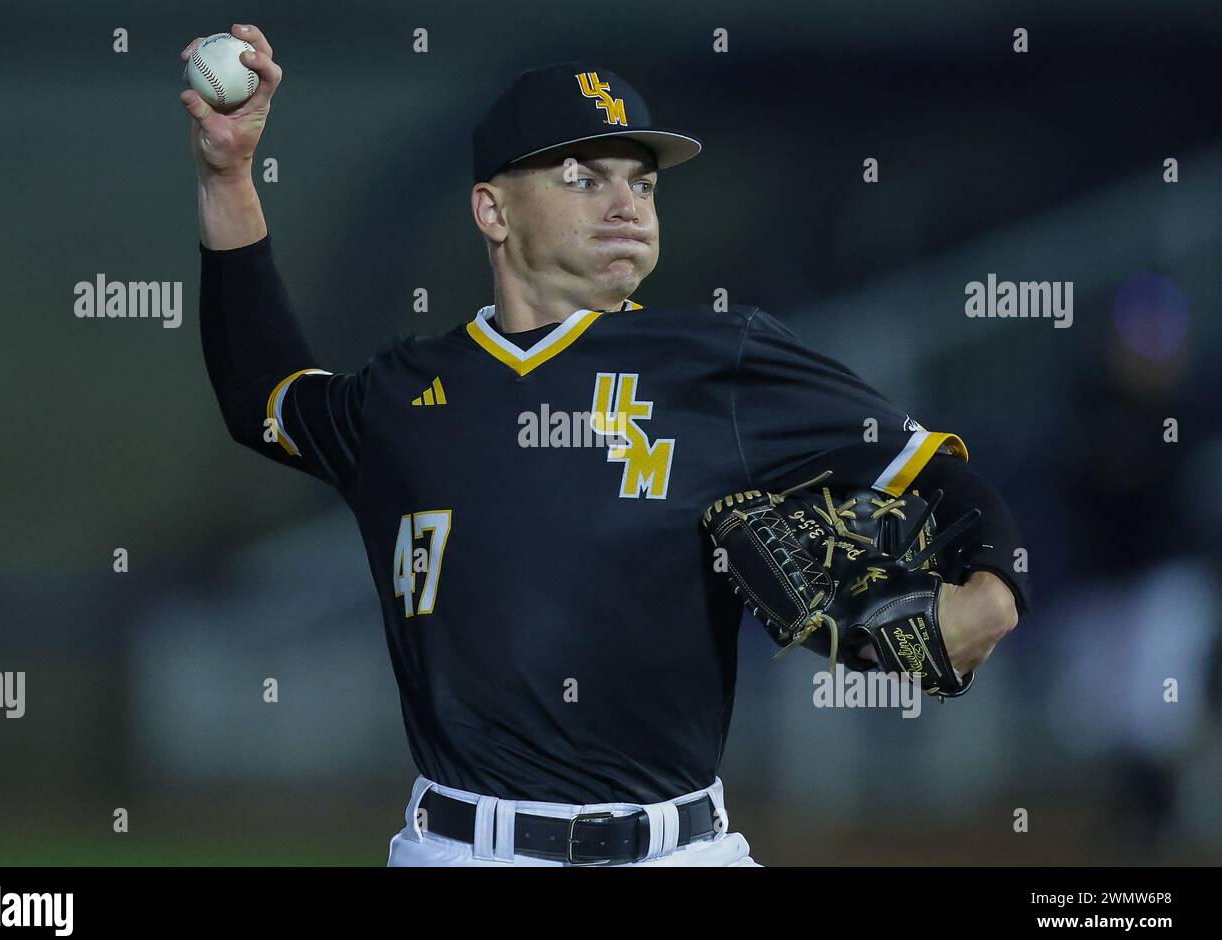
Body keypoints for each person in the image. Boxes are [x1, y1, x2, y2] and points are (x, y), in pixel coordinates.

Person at [184, 26, 1026, 866]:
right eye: (583, 177)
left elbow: (936, 476)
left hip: (682, 851)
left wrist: (991, 593)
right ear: (492, 208)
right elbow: (259, 393)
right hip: (468, 852)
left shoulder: (722, 361)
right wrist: (228, 174)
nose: (626, 205)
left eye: (643, 184)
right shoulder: (405, 394)